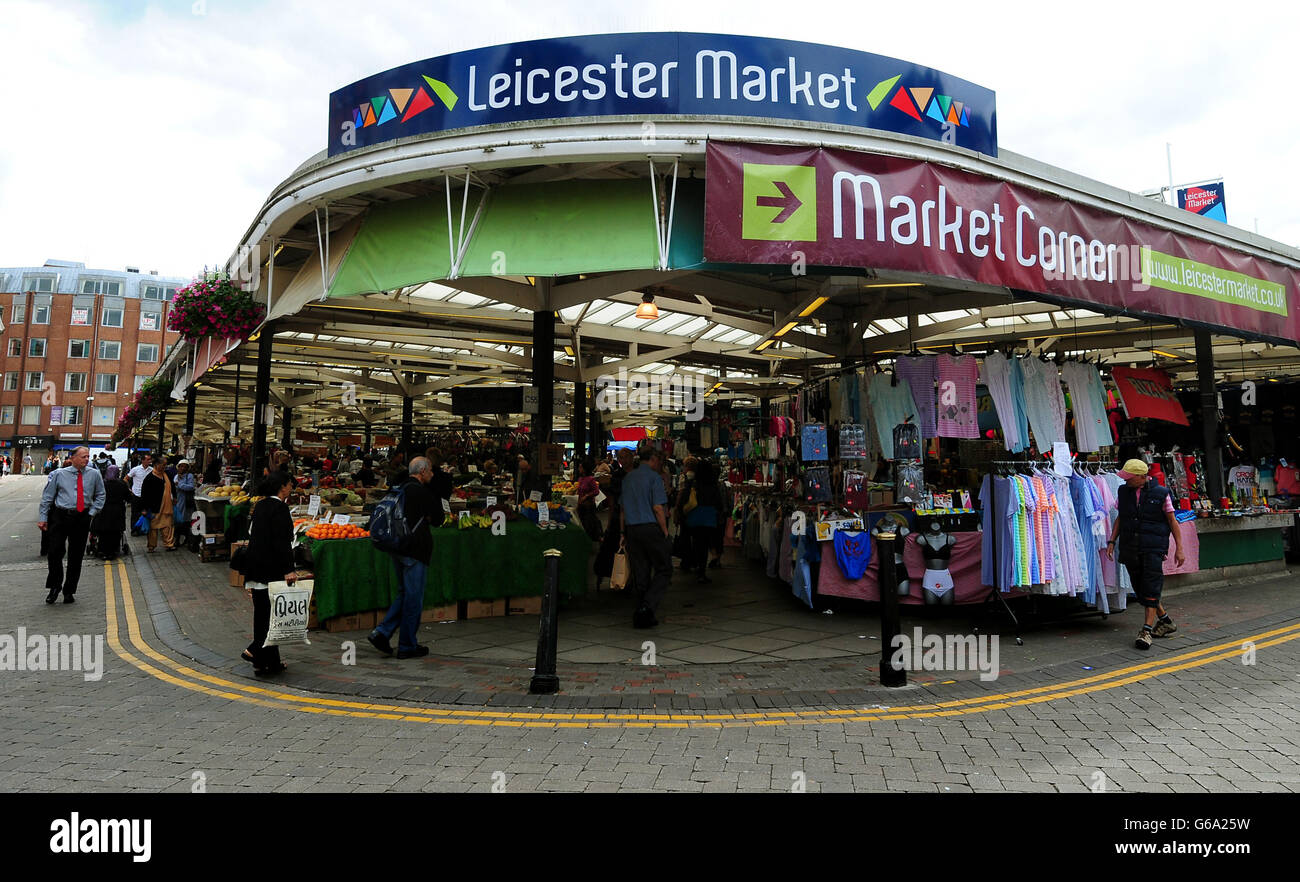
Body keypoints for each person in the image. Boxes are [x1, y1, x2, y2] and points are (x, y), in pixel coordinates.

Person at [1106, 458, 1185, 651]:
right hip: (1130, 546)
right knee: (1140, 587)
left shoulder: (1161, 494)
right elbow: (1120, 518)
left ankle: (1146, 631)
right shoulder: (1123, 492)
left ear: (1142, 477)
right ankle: (1165, 621)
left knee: (1150, 585)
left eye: (1130, 478)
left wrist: (1179, 548)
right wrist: (1111, 541)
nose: (1126, 481)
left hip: (1153, 547)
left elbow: (1173, 521)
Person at [367, 457, 438, 659]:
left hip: (397, 548)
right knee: (413, 598)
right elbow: (439, 517)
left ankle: (382, 632)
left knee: (404, 593)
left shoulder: (397, 488)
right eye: (431, 470)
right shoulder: (420, 491)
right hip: (414, 550)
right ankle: (406, 645)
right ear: (423, 471)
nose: (432, 474)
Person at [241, 472, 297, 676]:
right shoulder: (280, 508)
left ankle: (267, 664)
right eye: (290, 484)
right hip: (271, 570)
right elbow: (282, 542)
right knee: (272, 617)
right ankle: (254, 650)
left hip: (255, 569)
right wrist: (289, 569)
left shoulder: (261, 506)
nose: (292, 488)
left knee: (262, 615)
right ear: (282, 487)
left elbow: (251, 533)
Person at [37, 446, 105, 603]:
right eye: (83, 457)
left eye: (88, 456)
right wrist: (43, 518)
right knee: (54, 552)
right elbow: (47, 497)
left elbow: (101, 495)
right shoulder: (59, 474)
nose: (87, 459)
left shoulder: (94, 474)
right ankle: (55, 587)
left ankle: (69, 590)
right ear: (72, 458)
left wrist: (92, 512)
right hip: (61, 516)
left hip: (82, 517)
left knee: (76, 555)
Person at [621, 444, 671, 628]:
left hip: (632, 529)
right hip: (650, 528)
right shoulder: (654, 478)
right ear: (652, 459)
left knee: (640, 572)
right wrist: (665, 532)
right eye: (658, 460)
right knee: (664, 568)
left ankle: (642, 612)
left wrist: (622, 533)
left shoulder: (628, 478)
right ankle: (647, 607)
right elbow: (658, 508)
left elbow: (623, 509)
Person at [679, 459, 722, 583]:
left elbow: (685, 499)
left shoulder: (693, 483)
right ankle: (701, 570)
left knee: (697, 543)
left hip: (695, 516)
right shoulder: (713, 485)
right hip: (709, 517)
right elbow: (718, 502)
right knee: (705, 544)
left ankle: (697, 565)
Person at [140, 455, 177, 552]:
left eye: (165, 465)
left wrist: (175, 497)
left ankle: (169, 544)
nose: (164, 467)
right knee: (153, 528)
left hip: (167, 506)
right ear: (156, 464)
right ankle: (151, 546)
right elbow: (144, 494)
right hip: (154, 507)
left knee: (167, 526)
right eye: (163, 465)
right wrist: (144, 508)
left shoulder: (167, 475)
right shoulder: (149, 478)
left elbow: (172, 486)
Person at [92, 473, 132, 561]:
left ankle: (103, 550)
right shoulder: (122, 484)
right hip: (118, 511)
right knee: (116, 531)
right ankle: (113, 550)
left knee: (104, 531)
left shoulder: (102, 483)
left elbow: (95, 496)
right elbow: (128, 498)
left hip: (104, 510)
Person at [575, 457, 603, 541]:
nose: (579, 469)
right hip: (581, 505)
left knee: (589, 524)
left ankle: (593, 540)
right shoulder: (580, 479)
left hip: (588, 506)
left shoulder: (591, 479)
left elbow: (596, 491)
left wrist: (587, 496)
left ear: (584, 469)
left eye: (580, 467)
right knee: (582, 523)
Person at [126, 454, 152, 536]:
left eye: (150, 459)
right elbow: (126, 478)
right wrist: (129, 489)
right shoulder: (135, 469)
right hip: (136, 494)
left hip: (147, 496)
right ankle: (134, 530)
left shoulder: (152, 470)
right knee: (135, 514)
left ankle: (143, 529)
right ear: (143, 460)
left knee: (145, 513)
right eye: (148, 459)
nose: (149, 461)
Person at [174, 460, 197, 543]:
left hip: (186, 500)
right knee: (178, 520)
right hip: (178, 500)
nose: (182, 468)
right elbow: (174, 486)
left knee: (186, 520)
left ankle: (186, 538)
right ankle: (177, 539)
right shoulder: (176, 476)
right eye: (181, 466)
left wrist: (179, 485)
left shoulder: (189, 476)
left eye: (184, 466)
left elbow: (191, 487)